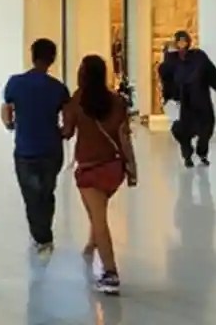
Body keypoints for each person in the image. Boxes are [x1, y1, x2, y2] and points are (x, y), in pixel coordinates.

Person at [62, 54, 137, 295]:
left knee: (99, 219)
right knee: (99, 210)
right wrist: (132, 168)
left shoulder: (76, 101)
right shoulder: (117, 102)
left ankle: (110, 271)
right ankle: (90, 245)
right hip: (113, 169)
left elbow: (67, 132)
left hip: (89, 169)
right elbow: (124, 138)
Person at [0, 38, 70, 263]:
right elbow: (67, 123)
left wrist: (12, 125)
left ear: (32, 55)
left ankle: (41, 236)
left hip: (26, 149)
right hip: (51, 149)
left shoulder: (15, 83)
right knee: (47, 193)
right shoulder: (58, 88)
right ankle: (43, 234)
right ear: (53, 58)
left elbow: (6, 111)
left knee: (31, 195)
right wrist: (61, 132)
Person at [159, 30, 216, 168]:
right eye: (178, 41)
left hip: (201, 100)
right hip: (184, 103)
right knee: (182, 130)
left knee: (206, 128)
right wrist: (166, 97)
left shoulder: (199, 57)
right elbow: (165, 78)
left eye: (184, 41)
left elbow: (212, 74)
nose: (182, 44)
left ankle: (202, 153)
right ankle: (187, 155)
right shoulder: (172, 60)